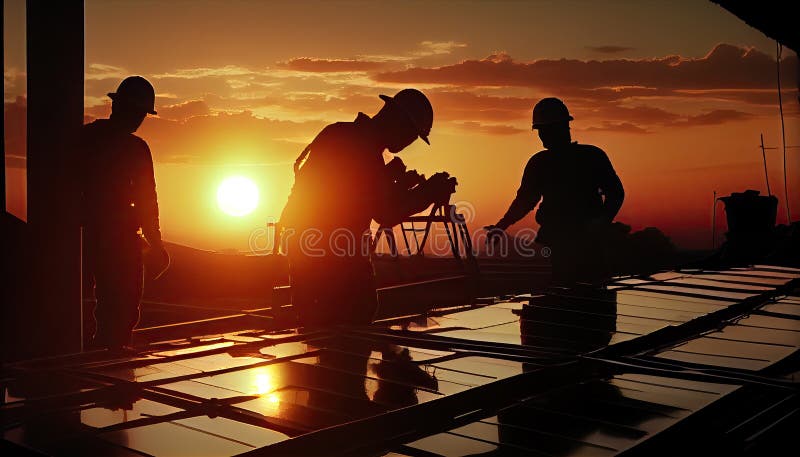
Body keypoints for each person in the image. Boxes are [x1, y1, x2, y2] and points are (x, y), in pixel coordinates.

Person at [279, 88, 453, 326]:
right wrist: (428, 192)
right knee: (346, 333)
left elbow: (357, 196)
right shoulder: (362, 150)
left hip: (311, 256)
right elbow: (386, 212)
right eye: (412, 135)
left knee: (320, 338)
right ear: (398, 122)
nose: (409, 143)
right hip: (332, 263)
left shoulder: (341, 134)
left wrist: (400, 185)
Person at [486, 98, 624, 285]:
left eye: (545, 130)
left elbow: (616, 193)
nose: (542, 136)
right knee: (567, 296)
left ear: (561, 128)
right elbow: (525, 200)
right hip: (561, 245)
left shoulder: (588, 157)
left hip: (587, 245)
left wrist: (600, 222)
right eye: (540, 131)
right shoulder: (545, 162)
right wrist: (501, 225)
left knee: (584, 294)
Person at [79, 76, 169, 350]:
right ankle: (107, 370)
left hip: (87, 238)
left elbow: (146, 201)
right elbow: (146, 202)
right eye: (139, 112)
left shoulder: (86, 138)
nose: (139, 118)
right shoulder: (134, 149)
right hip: (109, 241)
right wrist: (156, 244)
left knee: (101, 313)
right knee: (118, 315)